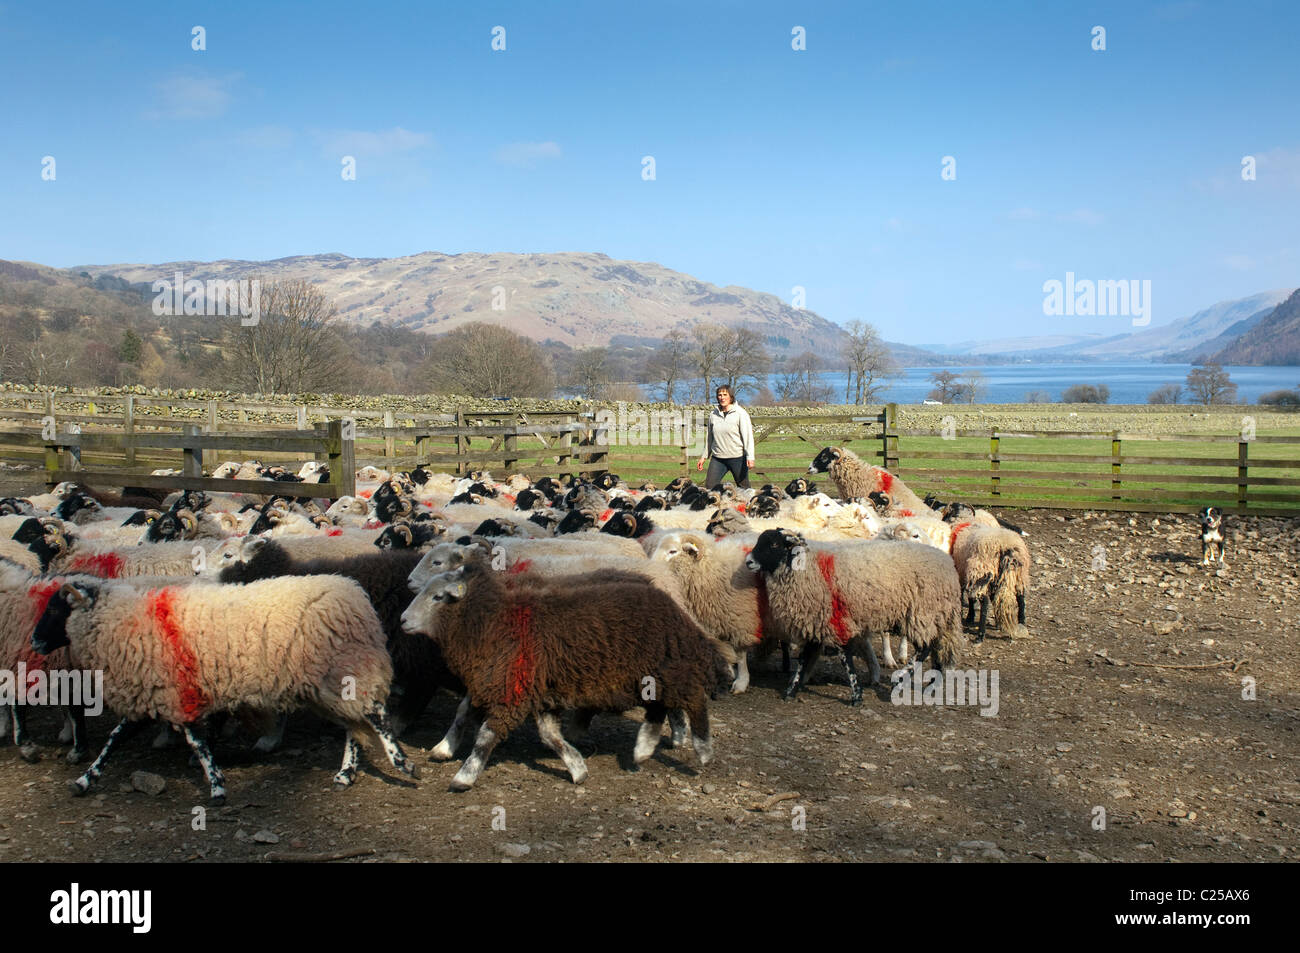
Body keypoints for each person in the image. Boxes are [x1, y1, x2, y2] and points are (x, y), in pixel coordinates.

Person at [696, 385, 755, 489]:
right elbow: (709, 438)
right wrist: (704, 456)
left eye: (725, 395)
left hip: (737, 458)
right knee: (710, 487)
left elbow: (748, 437)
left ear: (731, 396)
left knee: (745, 488)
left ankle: (749, 505)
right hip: (718, 458)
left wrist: (750, 457)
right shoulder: (713, 415)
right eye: (719, 395)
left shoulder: (740, 413)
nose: (722, 397)